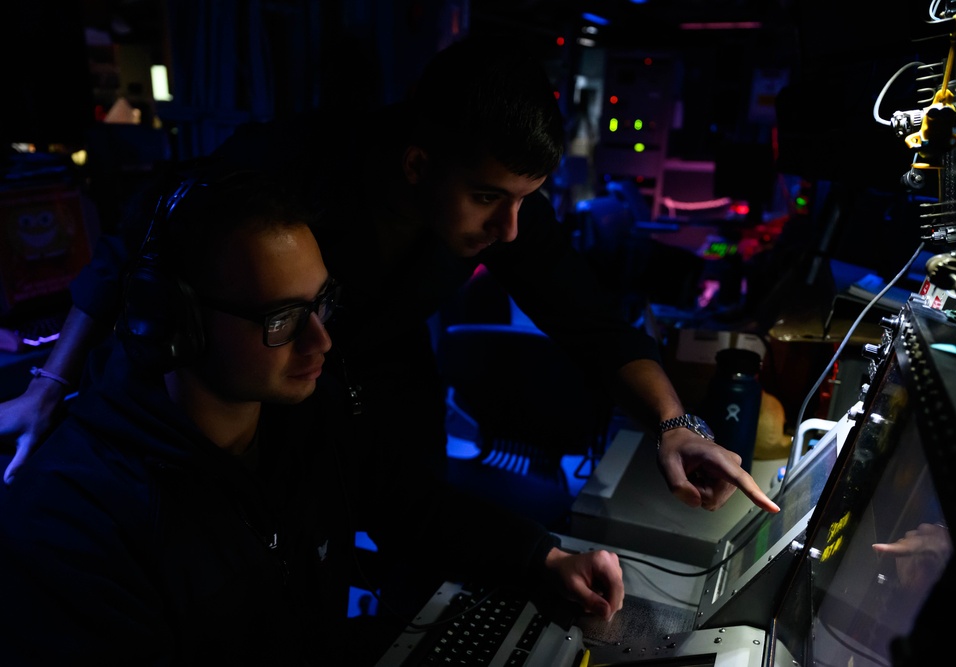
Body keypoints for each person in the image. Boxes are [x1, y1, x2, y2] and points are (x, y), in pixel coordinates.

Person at [0, 35, 780, 520]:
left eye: (524, 203)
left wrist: (678, 425)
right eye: (488, 201)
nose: (508, 231)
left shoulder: (493, 199)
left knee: (418, 511)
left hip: (383, 359)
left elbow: (592, 322)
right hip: (252, 384)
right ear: (417, 165)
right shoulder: (283, 168)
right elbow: (131, 243)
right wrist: (46, 385)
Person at [0, 166, 625, 665]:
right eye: (282, 318)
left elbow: (409, 505)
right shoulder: (70, 521)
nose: (322, 341)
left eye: (322, 303)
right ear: (176, 326)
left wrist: (543, 560)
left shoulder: (302, 419)